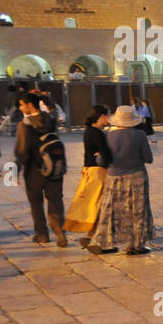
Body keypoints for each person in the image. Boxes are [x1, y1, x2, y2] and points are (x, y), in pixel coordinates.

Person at [90, 106, 154, 256]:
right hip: (137, 176)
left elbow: (101, 160)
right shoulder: (139, 135)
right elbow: (148, 158)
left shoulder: (108, 136)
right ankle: (136, 245)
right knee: (137, 211)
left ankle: (105, 242)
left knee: (110, 210)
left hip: (114, 178)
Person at [14, 91, 67, 247]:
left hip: (34, 169)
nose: (20, 108)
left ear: (29, 105)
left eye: (21, 104)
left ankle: (42, 234)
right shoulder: (51, 118)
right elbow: (54, 112)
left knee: (36, 203)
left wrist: (15, 170)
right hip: (54, 165)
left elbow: (22, 150)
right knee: (55, 199)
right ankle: (59, 231)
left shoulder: (24, 125)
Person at [66, 105, 112, 247]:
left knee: (93, 203)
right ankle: (93, 234)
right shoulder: (97, 133)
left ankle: (92, 233)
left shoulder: (89, 131)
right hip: (98, 172)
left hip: (89, 170)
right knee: (98, 203)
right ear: (101, 116)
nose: (109, 119)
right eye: (107, 116)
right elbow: (106, 153)